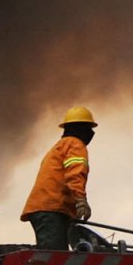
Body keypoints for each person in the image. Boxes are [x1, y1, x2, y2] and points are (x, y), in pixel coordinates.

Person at [21, 106, 98, 251]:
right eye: (88, 128)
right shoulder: (75, 144)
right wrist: (80, 200)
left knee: (56, 254)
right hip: (51, 209)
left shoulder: (60, 146)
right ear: (81, 129)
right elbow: (75, 173)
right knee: (55, 256)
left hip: (48, 208)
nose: (91, 133)